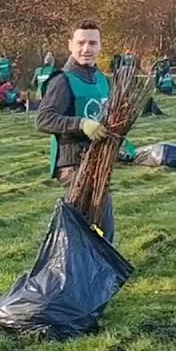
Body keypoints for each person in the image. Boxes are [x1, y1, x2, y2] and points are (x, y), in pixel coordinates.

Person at [37, 19, 127, 242]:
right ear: (70, 45)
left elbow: (108, 120)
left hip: (98, 161)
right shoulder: (62, 80)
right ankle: (76, 271)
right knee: (91, 227)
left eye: (92, 43)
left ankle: (92, 271)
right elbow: (44, 119)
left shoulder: (103, 81)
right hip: (73, 165)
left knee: (99, 227)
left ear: (100, 46)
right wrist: (81, 124)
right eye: (81, 43)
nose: (86, 49)